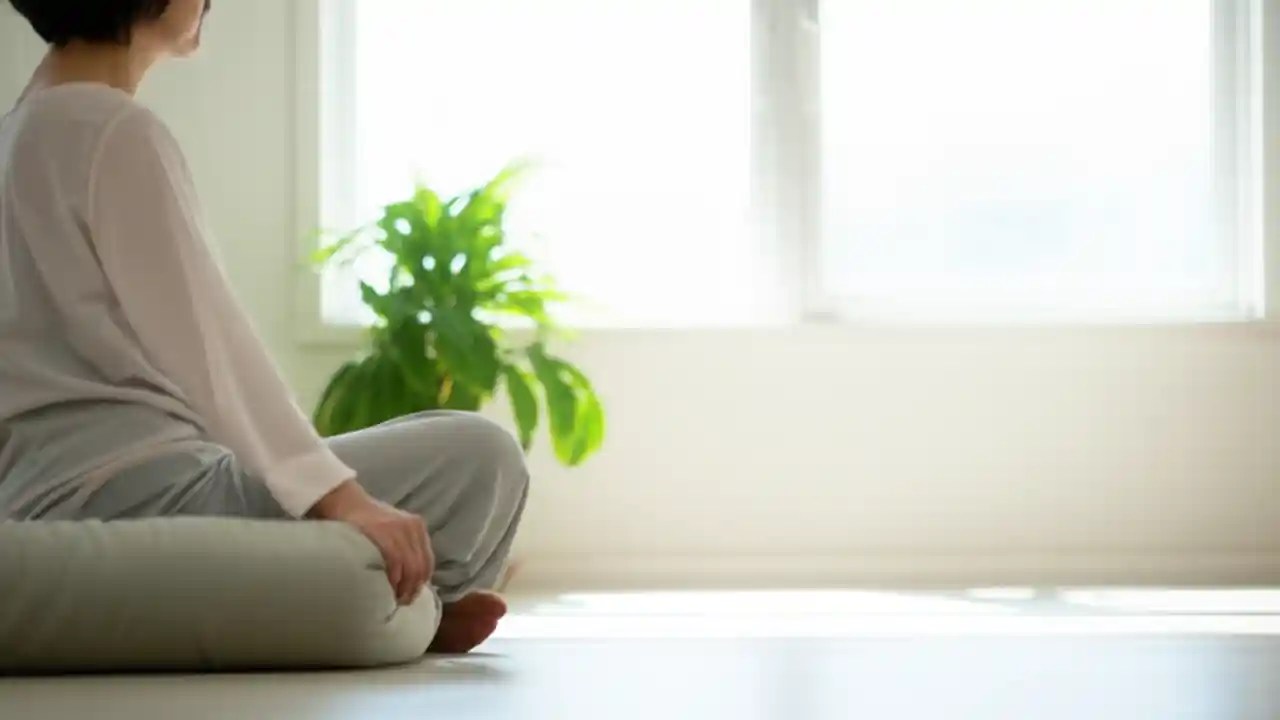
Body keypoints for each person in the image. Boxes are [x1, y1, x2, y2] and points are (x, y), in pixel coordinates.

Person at [0, 0, 528, 654]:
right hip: (162, 492)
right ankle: (422, 604)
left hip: (31, 499)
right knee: (483, 458)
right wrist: (342, 499)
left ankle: (404, 600)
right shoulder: (112, 129)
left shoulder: (16, 133)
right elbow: (213, 349)